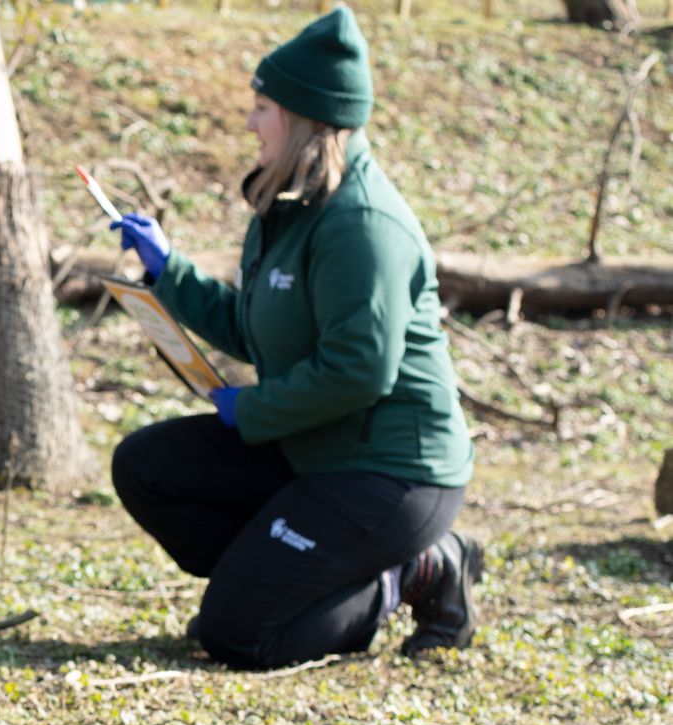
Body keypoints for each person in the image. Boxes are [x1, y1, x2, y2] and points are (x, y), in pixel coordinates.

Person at [107, 6, 480, 670]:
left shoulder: (362, 225)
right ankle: (272, 577)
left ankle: (418, 569)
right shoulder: (288, 204)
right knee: (146, 467)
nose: (249, 122)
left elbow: (360, 369)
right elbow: (259, 328)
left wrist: (251, 410)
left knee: (237, 635)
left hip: (390, 472)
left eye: (262, 108)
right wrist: (170, 271)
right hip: (311, 447)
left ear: (305, 118)